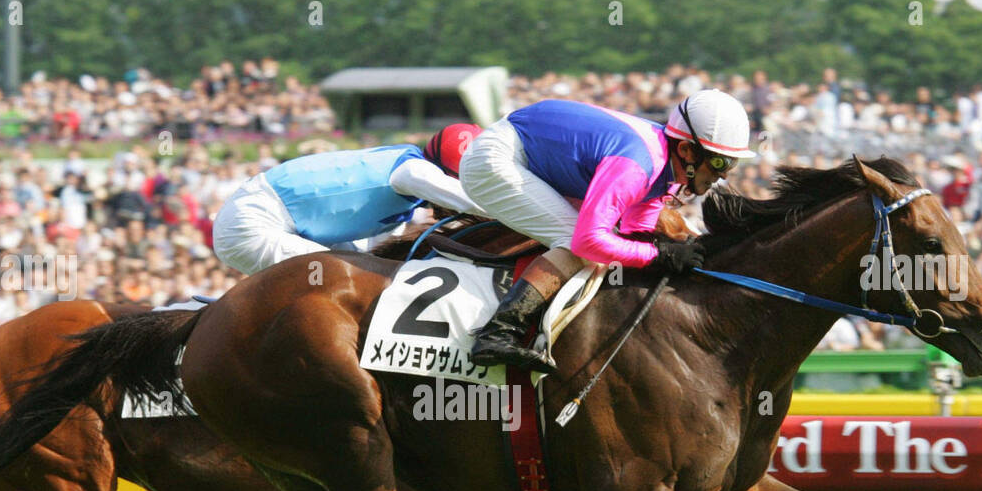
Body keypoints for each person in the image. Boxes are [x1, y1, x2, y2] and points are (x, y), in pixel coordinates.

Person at [460, 89, 754, 374]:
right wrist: (657, 254)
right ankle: (498, 333)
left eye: (732, 164)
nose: (724, 175)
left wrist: (668, 250)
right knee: (574, 241)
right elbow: (589, 241)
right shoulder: (637, 166)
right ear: (687, 150)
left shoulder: (663, 164)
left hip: (527, 152)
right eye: (719, 162)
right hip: (496, 159)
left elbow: (635, 230)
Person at [211, 123, 485, 276]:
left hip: (284, 220)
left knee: (369, 276)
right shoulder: (413, 172)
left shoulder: (409, 193)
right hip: (252, 219)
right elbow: (473, 203)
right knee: (337, 276)